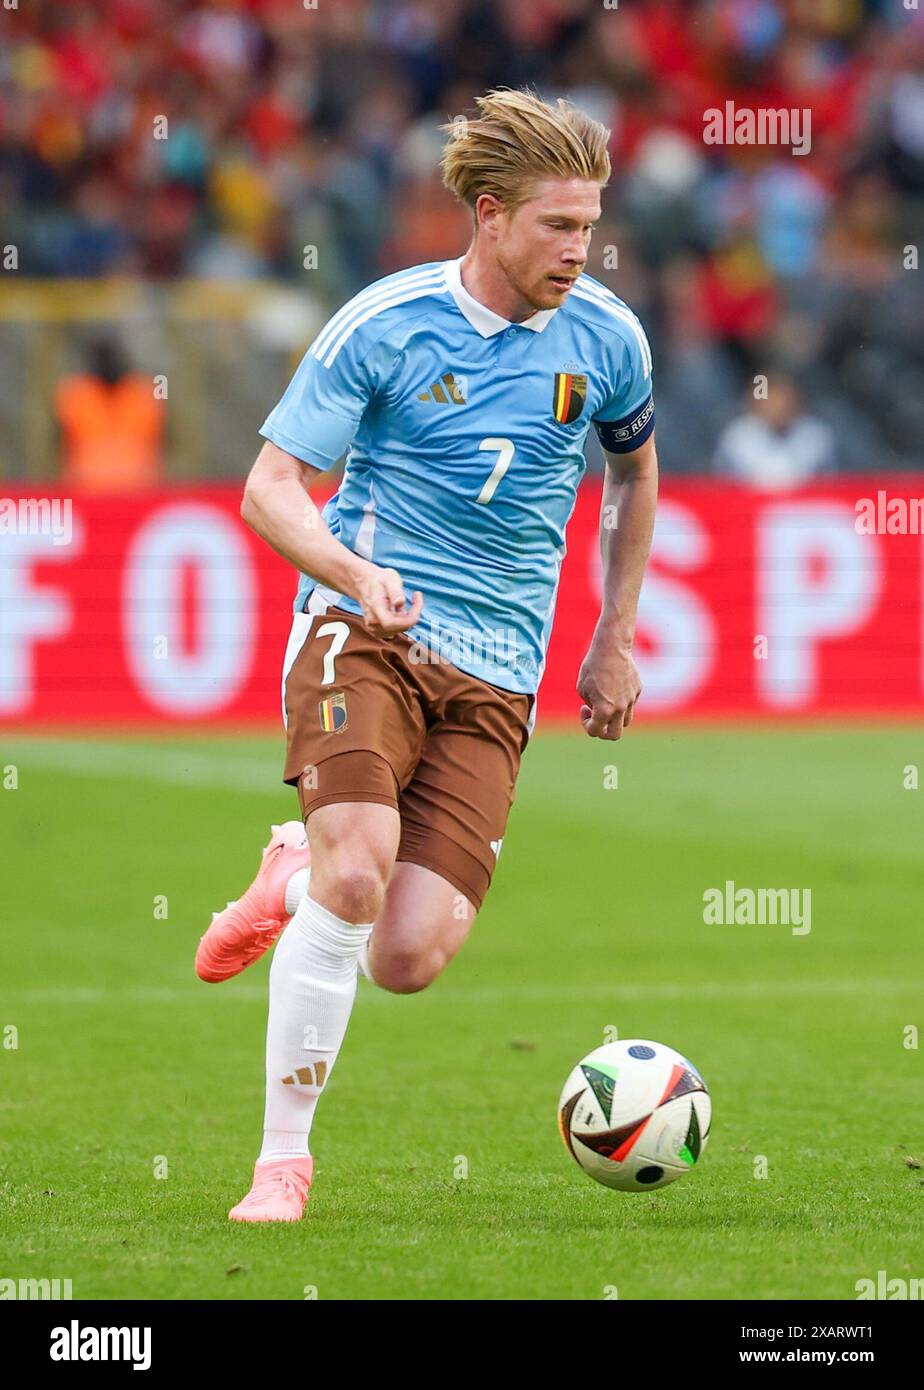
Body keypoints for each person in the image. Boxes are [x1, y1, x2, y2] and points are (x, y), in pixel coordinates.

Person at [194, 89, 659, 1223]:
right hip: (368, 630)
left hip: (502, 668)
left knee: (404, 955)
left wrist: (612, 635)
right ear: (489, 217)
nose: (578, 250)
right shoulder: (385, 323)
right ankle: (282, 1164)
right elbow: (268, 491)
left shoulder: (609, 338)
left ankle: (286, 876)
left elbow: (634, 475)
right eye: (557, 226)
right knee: (360, 871)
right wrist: (354, 578)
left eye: (590, 226)